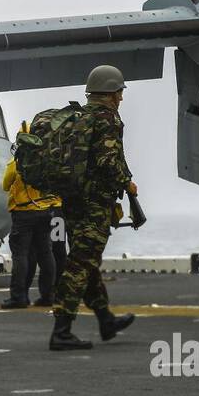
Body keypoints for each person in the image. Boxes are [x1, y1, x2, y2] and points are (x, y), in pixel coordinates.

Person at [49, 65, 138, 351]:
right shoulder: (106, 118)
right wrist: (127, 183)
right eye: (119, 93)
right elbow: (108, 161)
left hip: (73, 200)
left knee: (86, 263)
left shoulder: (78, 117)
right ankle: (61, 331)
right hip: (95, 204)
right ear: (111, 93)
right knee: (79, 265)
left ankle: (105, 319)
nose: (121, 98)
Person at [0, 130, 59, 308]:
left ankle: (19, 297)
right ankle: (49, 295)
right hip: (45, 212)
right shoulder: (47, 161)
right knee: (46, 254)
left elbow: (5, 185)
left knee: (21, 255)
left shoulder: (16, 163)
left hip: (23, 213)